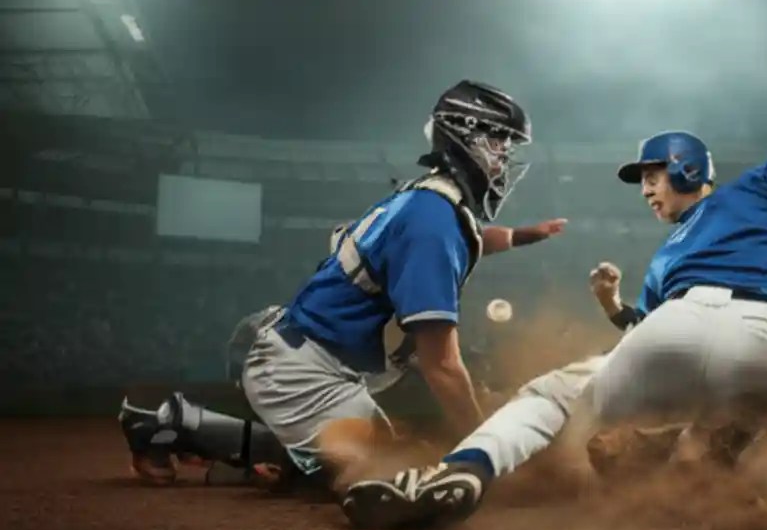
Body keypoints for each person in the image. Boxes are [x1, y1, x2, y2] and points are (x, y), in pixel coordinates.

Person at [340, 0, 767, 530]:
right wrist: (613, 305)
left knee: (554, 395)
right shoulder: (758, 198)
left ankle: (462, 471)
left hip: (683, 326)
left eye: (652, 176)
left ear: (687, 168)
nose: (646, 190)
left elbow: (671, 339)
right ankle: (714, 492)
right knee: (708, 453)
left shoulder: (744, 196)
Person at [118, 81, 566, 486]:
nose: (504, 158)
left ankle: (266, 452)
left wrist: (523, 235)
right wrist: (490, 451)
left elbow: (468, 242)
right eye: (498, 142)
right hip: (305, 372)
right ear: (463, 137)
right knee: (385, 474)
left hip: (313, 358)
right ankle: (172, 422)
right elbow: (442, 366)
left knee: (376, 452)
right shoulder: (433, 223)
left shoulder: (430, 203)